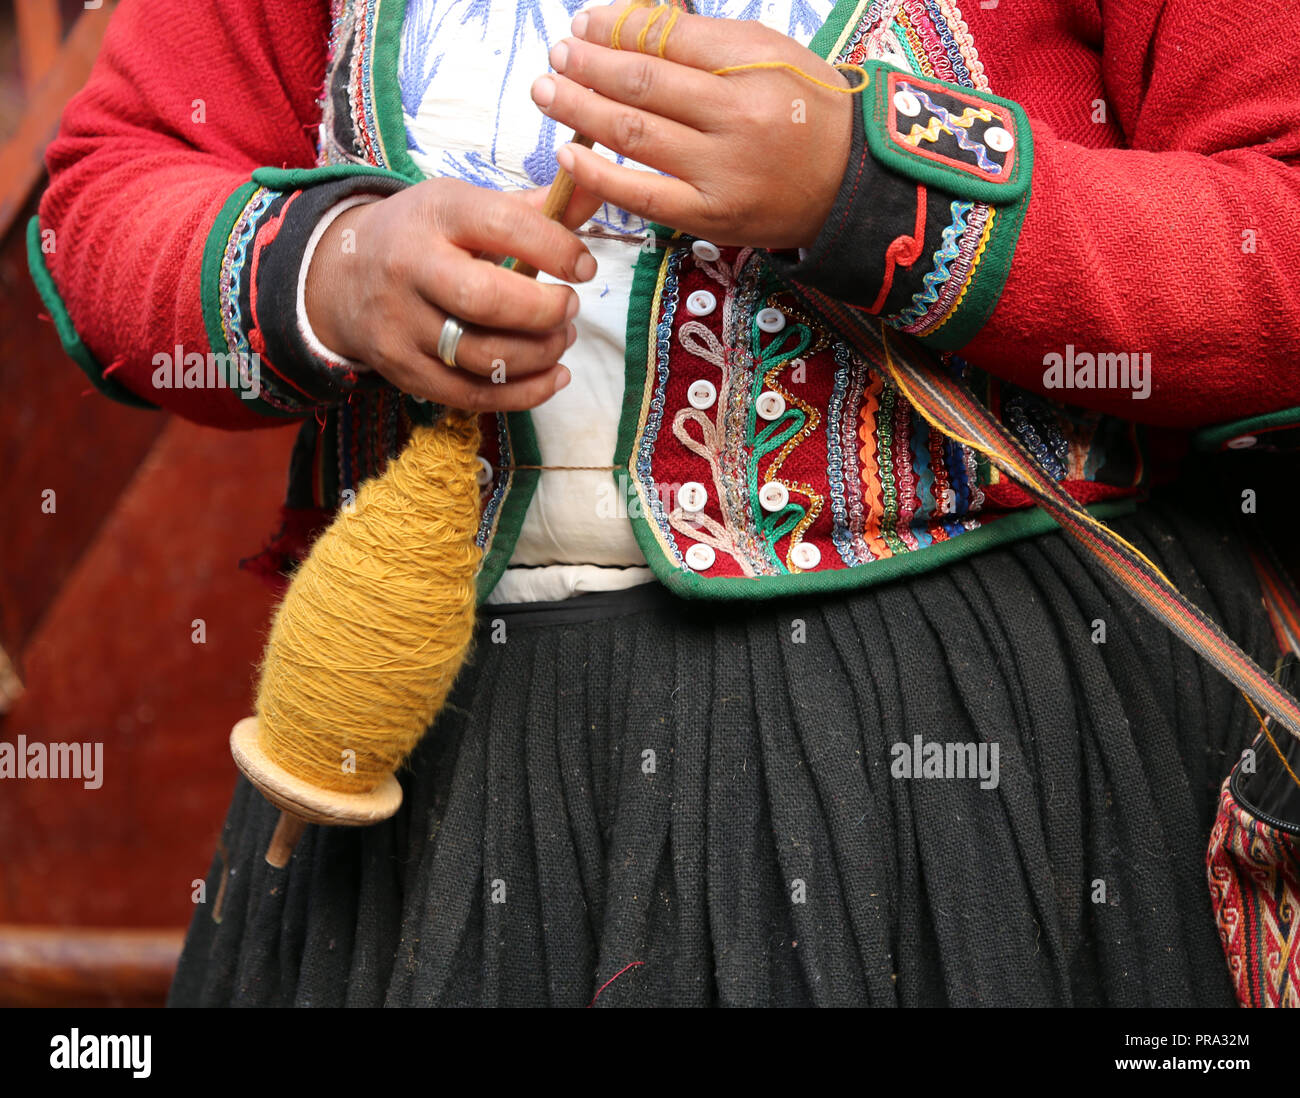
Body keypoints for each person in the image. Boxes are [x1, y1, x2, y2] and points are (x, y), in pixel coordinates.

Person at [30, 0, 1300, 1006]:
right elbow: (112, 189)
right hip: (429, 764)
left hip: (962, 772)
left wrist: (876, 184)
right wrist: (335, 266)